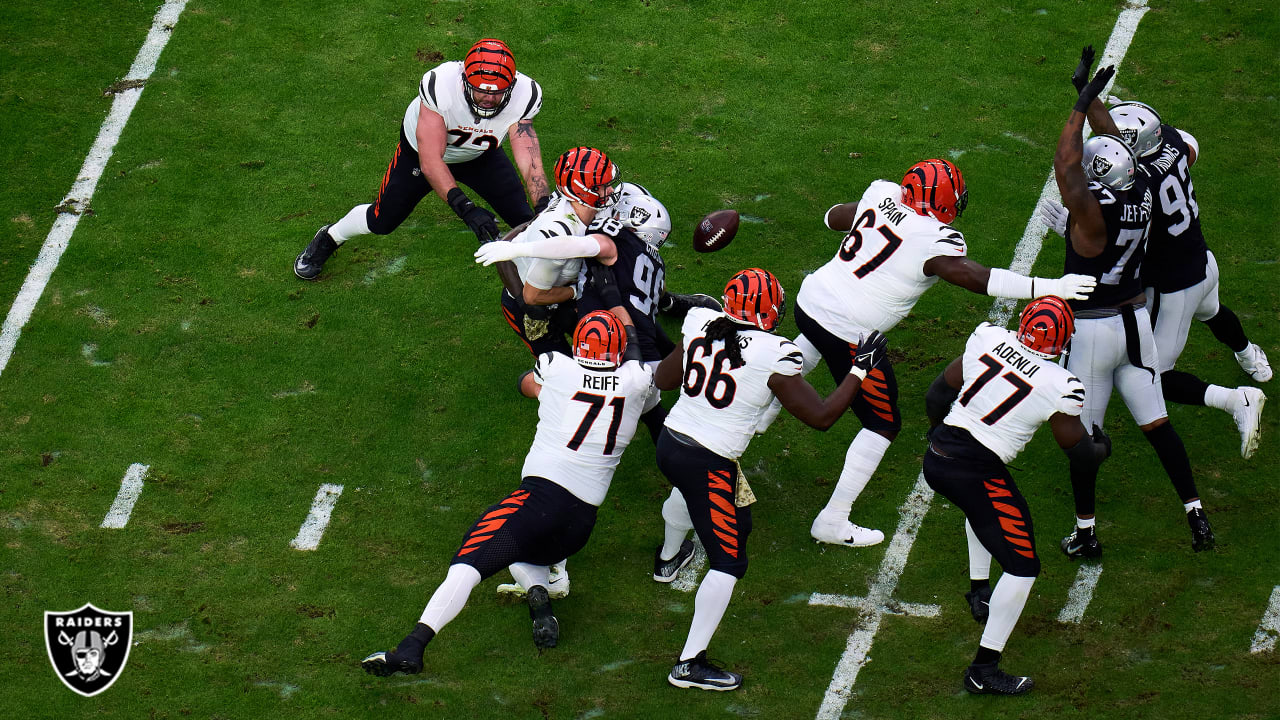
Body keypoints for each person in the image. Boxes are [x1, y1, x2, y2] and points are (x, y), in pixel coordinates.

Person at [792, 158, 1097, 548]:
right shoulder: (934, 240)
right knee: (882, 423)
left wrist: (872, 219)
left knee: (810, 343)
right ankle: (833, 519)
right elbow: (978, 278)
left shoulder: (882, 193)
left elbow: (834, 217)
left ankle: (757, 417)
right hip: (849, 329)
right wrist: (1050, 286)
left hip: (810, 300)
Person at [360, 311, 653, 676]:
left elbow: (525, 383)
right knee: (522, 550)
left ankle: (412, 645)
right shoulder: (637, 379)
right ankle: (541, 590)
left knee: (468, 564)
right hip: (580, 524)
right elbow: (634, 358)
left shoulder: (555, 366)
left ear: (578, 346)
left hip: (538, 501)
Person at [651, 268, 887, 691]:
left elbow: (663, 379)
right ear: (771, 311)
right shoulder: (775, 352)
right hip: (708, 460)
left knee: (709, 504)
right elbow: (822, 417)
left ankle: (669, 558)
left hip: (671, 442)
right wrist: (859, 371)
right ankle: (688, 665)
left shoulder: (702, 321)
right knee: (729, 562)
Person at [1040, 54, 1267, 457]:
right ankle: (1249, 355)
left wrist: (1070, 231)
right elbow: (1177, 146)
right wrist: (1088, 96)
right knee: (1213, 311)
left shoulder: (1138, 184)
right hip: (1202, 262)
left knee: (1151, 376)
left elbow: (1122, 244)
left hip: (1172, 287)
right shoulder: (1174, 143)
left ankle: (1237, 400)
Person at [1052, 64, 1213, 557]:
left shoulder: (1089, 214)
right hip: (1136, 322)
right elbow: (1118, 143)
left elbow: (1065, 163)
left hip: (1093, 332)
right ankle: (1196, 514)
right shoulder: (1140, 184)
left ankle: (1085, 534)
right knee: (1158, 425)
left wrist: (1081, 105)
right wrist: (1091, 99)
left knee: (1085, 438)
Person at [923, 296, 1110, 695]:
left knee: (980, 509)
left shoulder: (987, 338)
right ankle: (983, 670)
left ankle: (979, 592)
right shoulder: (1060, 385)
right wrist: (1102, 448)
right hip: (976, 470)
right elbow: (1079, 453)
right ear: (1063, 340)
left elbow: (936, 396)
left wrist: (940, 440)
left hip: (939, 456)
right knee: (1023, 566)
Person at [295, 38, 550, 280]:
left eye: (498, 93)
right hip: (421, 156)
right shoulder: (441, 86)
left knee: (529, 220)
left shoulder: (525, 95)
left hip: (480, 155)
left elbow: (530, 160)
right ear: (464, 81)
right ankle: (331, 236)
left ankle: (554, 281)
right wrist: (466, 209)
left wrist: (543, 205)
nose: (489, 99)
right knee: (381, 221)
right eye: (480, 91)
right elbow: (431, 162)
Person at [495, 146, 620, 359]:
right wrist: (575, 292)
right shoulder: (558, 234)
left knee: (605, 347)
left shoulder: (578, 206)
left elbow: (521, 231)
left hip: (560, 291)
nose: (610, 191)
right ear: (582, 191)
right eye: (602, 186)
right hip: (534, 304)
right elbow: (532, 296)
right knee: (559, 369)